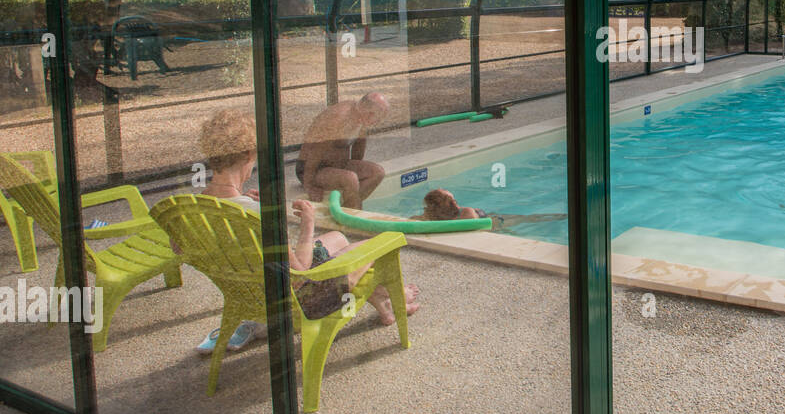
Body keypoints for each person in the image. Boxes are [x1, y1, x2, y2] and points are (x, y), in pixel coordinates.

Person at [192, 110, 419, 354]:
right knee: (370, 248)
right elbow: (300, 272)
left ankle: (386, 305)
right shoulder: (256, 214)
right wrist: (307, 224)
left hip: (252, 291)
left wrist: (243, 202)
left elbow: (180, 247)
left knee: (338, 238)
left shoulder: (191, 207)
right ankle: (393, 297)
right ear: (248, 154)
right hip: (298, 300)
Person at [295, 92, 389, 208]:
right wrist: (309, 185)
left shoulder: (362, 119)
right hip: (311, 169)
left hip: (338, 165)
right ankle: (354, 215)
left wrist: (356, 170)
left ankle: (348, 207)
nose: (377, 122)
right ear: (368, 112)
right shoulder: (339, 118)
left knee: (377, 172)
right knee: (350, 178)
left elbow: (358, 147)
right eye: (378, 118)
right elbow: (315, 152)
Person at [419, 188, 566, 232]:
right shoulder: (433, 215)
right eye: (452, 198)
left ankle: (562, 216)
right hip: (493, 223)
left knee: (532, 218)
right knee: (529, 218)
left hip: (496, 221)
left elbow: (477, 228)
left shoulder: (467, 213)